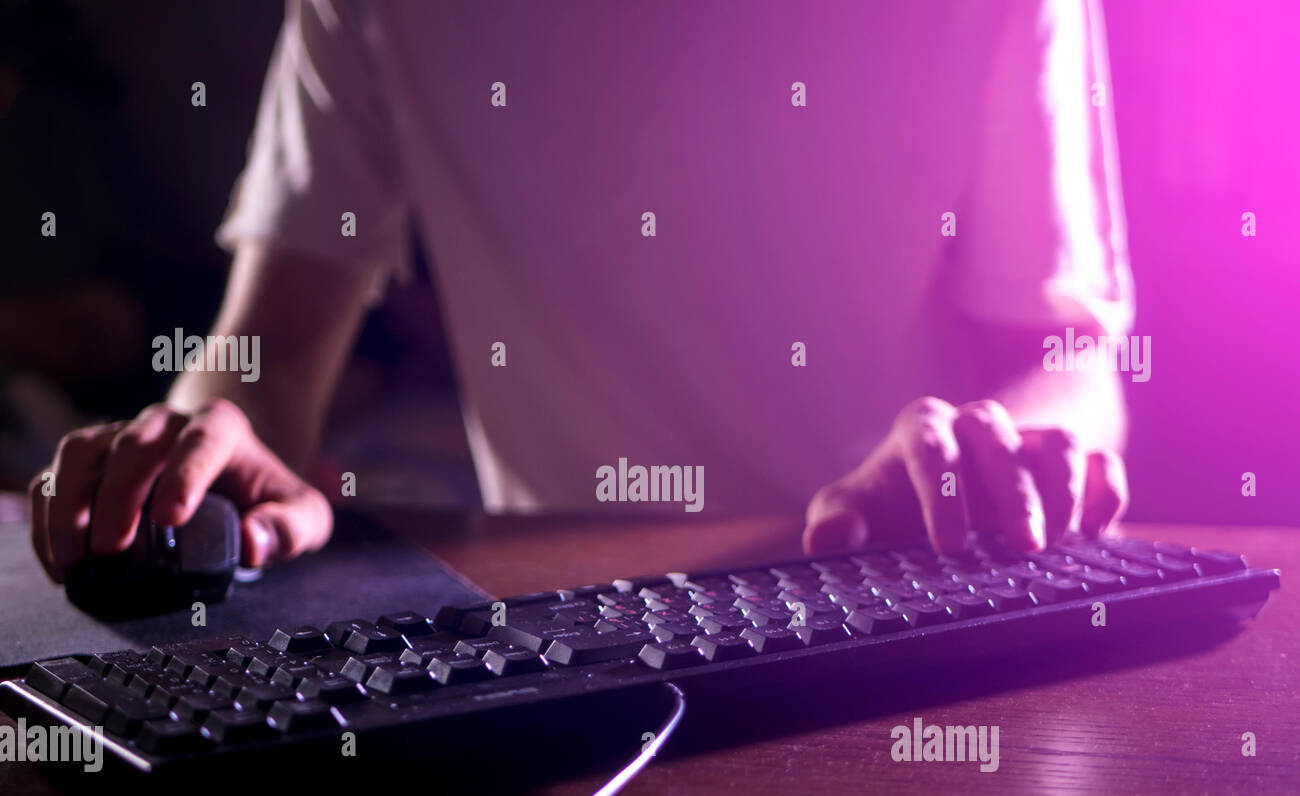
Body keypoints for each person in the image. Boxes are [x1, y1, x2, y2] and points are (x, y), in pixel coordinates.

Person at [29, 0, 1133, 582]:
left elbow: (1073, 359)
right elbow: (269, 343)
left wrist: (992, 454)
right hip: (564, 649)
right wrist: (189, 446)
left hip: (914, 609)